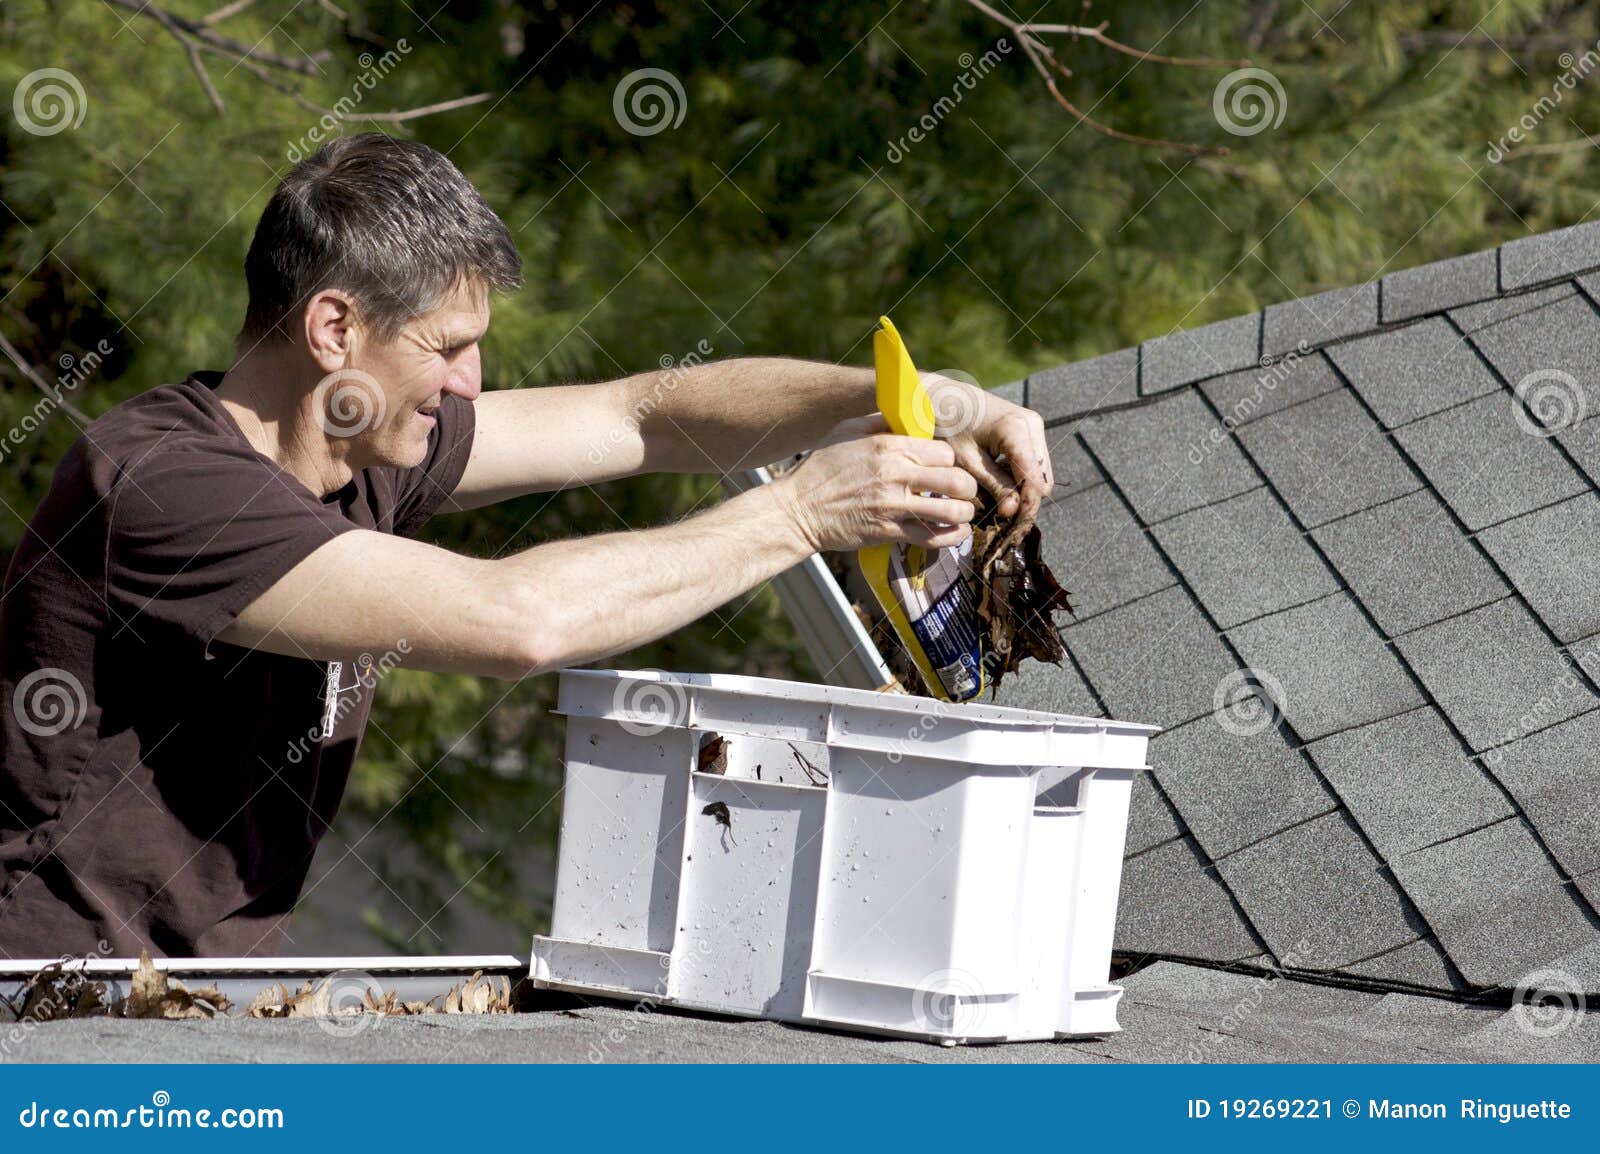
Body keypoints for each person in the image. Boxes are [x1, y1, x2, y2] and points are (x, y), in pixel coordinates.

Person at [0, 133, 1053, 958]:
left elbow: (647, 412)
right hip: (45, 1009)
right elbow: (517, 622)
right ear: (333, 331)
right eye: (447, 347)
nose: (471, 383)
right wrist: (796, 514)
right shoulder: (165, 488)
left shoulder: (365, 444)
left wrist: (929, 400)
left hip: (190, 996)